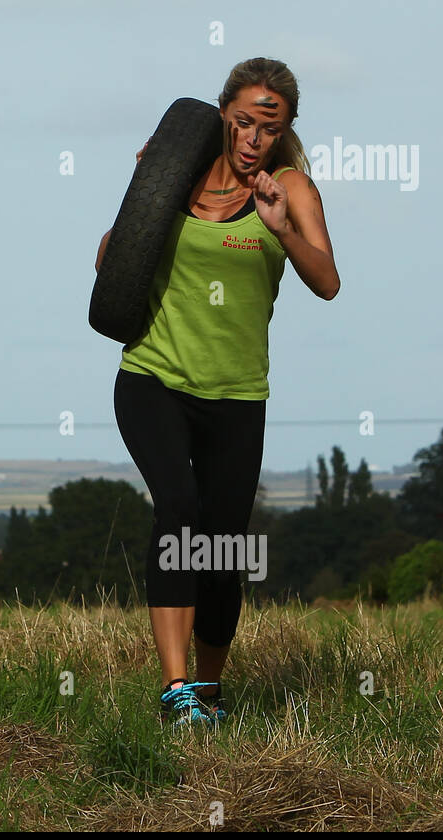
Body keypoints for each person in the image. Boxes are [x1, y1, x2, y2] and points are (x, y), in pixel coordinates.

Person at [95, 57, 339, 726]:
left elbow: (327, 280)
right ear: (222, 112)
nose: (254, 137)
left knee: (222, 547)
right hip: (153, 377)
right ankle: (175, 690)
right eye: (243, 121)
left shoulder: (292, 189)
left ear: (284, 130)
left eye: (271, 126)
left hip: (237, 394)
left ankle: (208, 687)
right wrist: (145, 187)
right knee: (178, 509)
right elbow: (108, 265)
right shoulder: (174, 176)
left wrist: (282, 227)